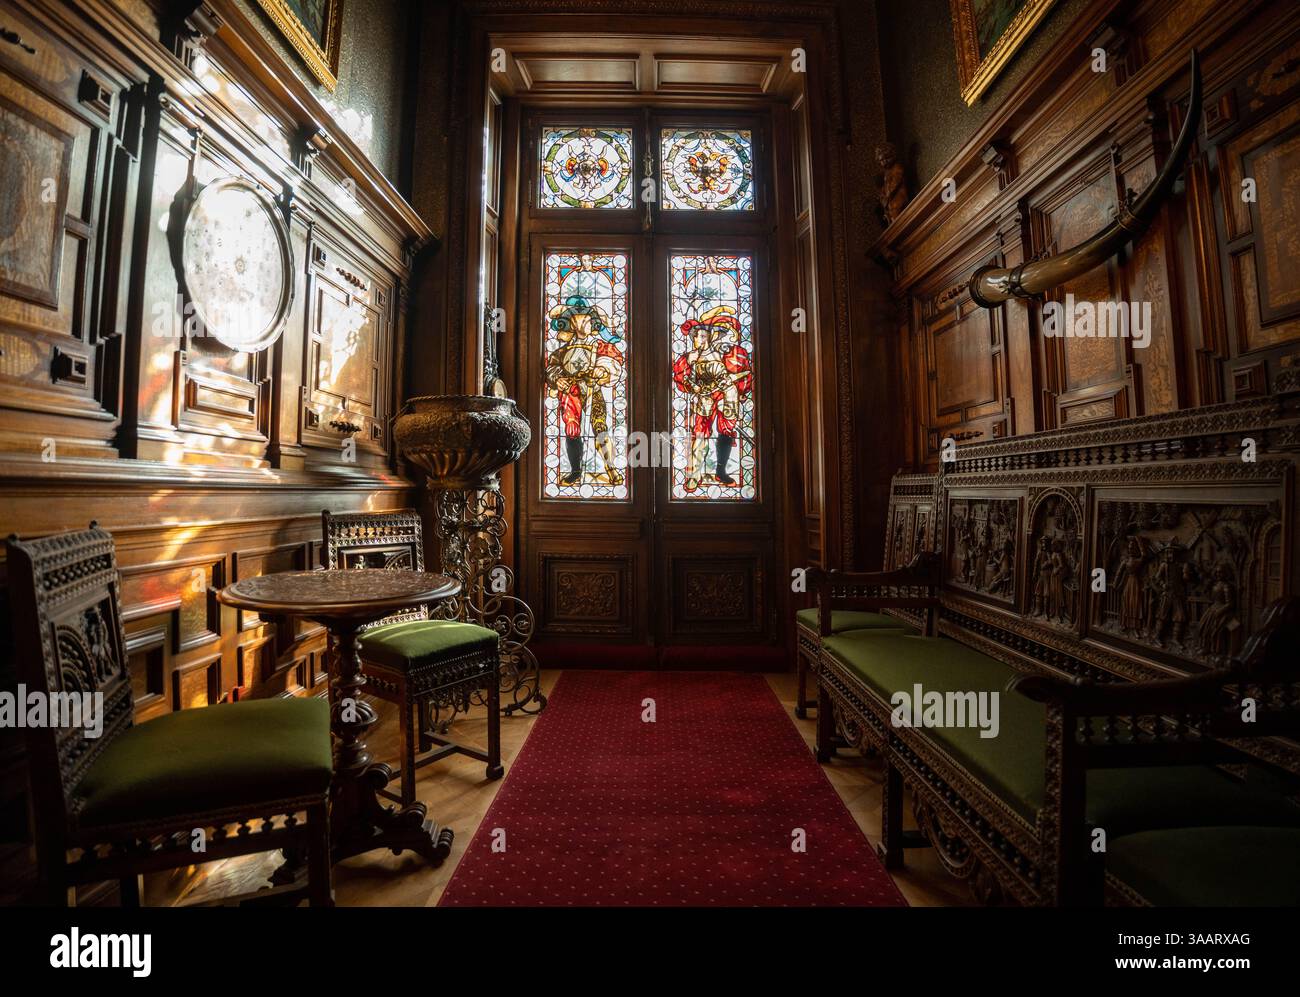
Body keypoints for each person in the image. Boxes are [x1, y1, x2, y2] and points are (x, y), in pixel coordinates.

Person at [671, 304, 753, 492]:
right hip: (705, 397)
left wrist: (741, 392)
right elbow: (681, 374)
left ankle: (720, 471)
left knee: (725, 432)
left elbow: (745, 374)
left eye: (727, 332)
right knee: (700, 434)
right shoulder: (694, 355)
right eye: (719, 332)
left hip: (728, 395)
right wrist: (694, 385)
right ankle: (694, 475)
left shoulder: (735, 354)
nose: (723, 337)